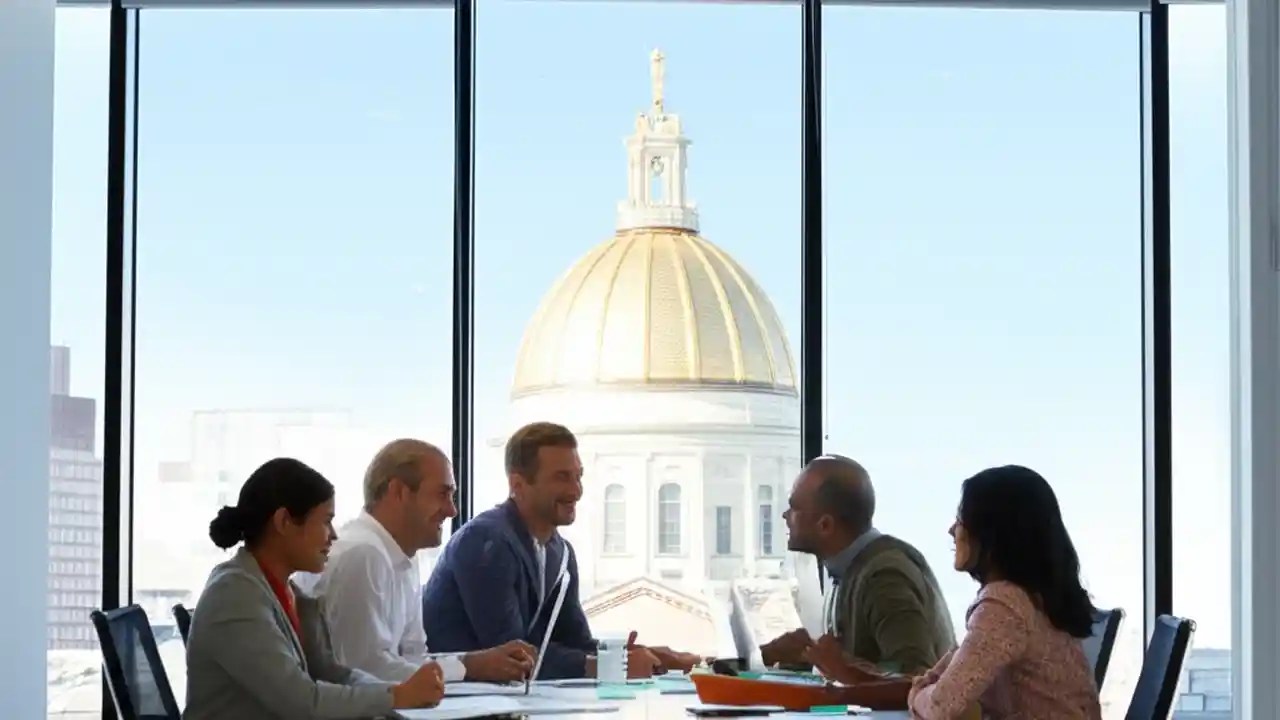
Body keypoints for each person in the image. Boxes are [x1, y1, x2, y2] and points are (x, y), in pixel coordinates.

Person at [421, 422, 698, 679]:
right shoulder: (485, 541)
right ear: (518, 485)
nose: (576, 490)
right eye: (562, 478)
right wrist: (614, 666)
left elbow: (573, 642)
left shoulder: (561, 552)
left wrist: (645, 656)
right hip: (455, 705)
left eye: (578, 477)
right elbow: (512, 656)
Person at [183, 457, 445, 720]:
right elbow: (303, 703)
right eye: (325, 521)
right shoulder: (234, 594)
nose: (333, 535)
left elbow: (332, 674)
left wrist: (398, 690)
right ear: (284, 521)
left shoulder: (290, 594)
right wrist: (397, 697)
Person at [295, 439, 535, 684]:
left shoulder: (401, 556)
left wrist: (475, 663)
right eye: (443, 494)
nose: (452, 510)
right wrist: (468, 667)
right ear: (398, 491)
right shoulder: (363, 554)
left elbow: (412, 659)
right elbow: (364, 672)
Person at [906, 465, 1102, 719]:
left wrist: (916, 696)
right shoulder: (1030, 599)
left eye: (961, 518)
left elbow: (941, 707)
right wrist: (926, 689)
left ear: (992, 533)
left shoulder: (1005, 606)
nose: (953, 529)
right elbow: (940, 680)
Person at [762, 455, 955, 678]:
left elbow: (917, 678)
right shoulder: (848, 568)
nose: (785, 516)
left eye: (794, 508)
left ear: (825, 525)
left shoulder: (884, 577)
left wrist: (842, 668)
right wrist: (807, 658)